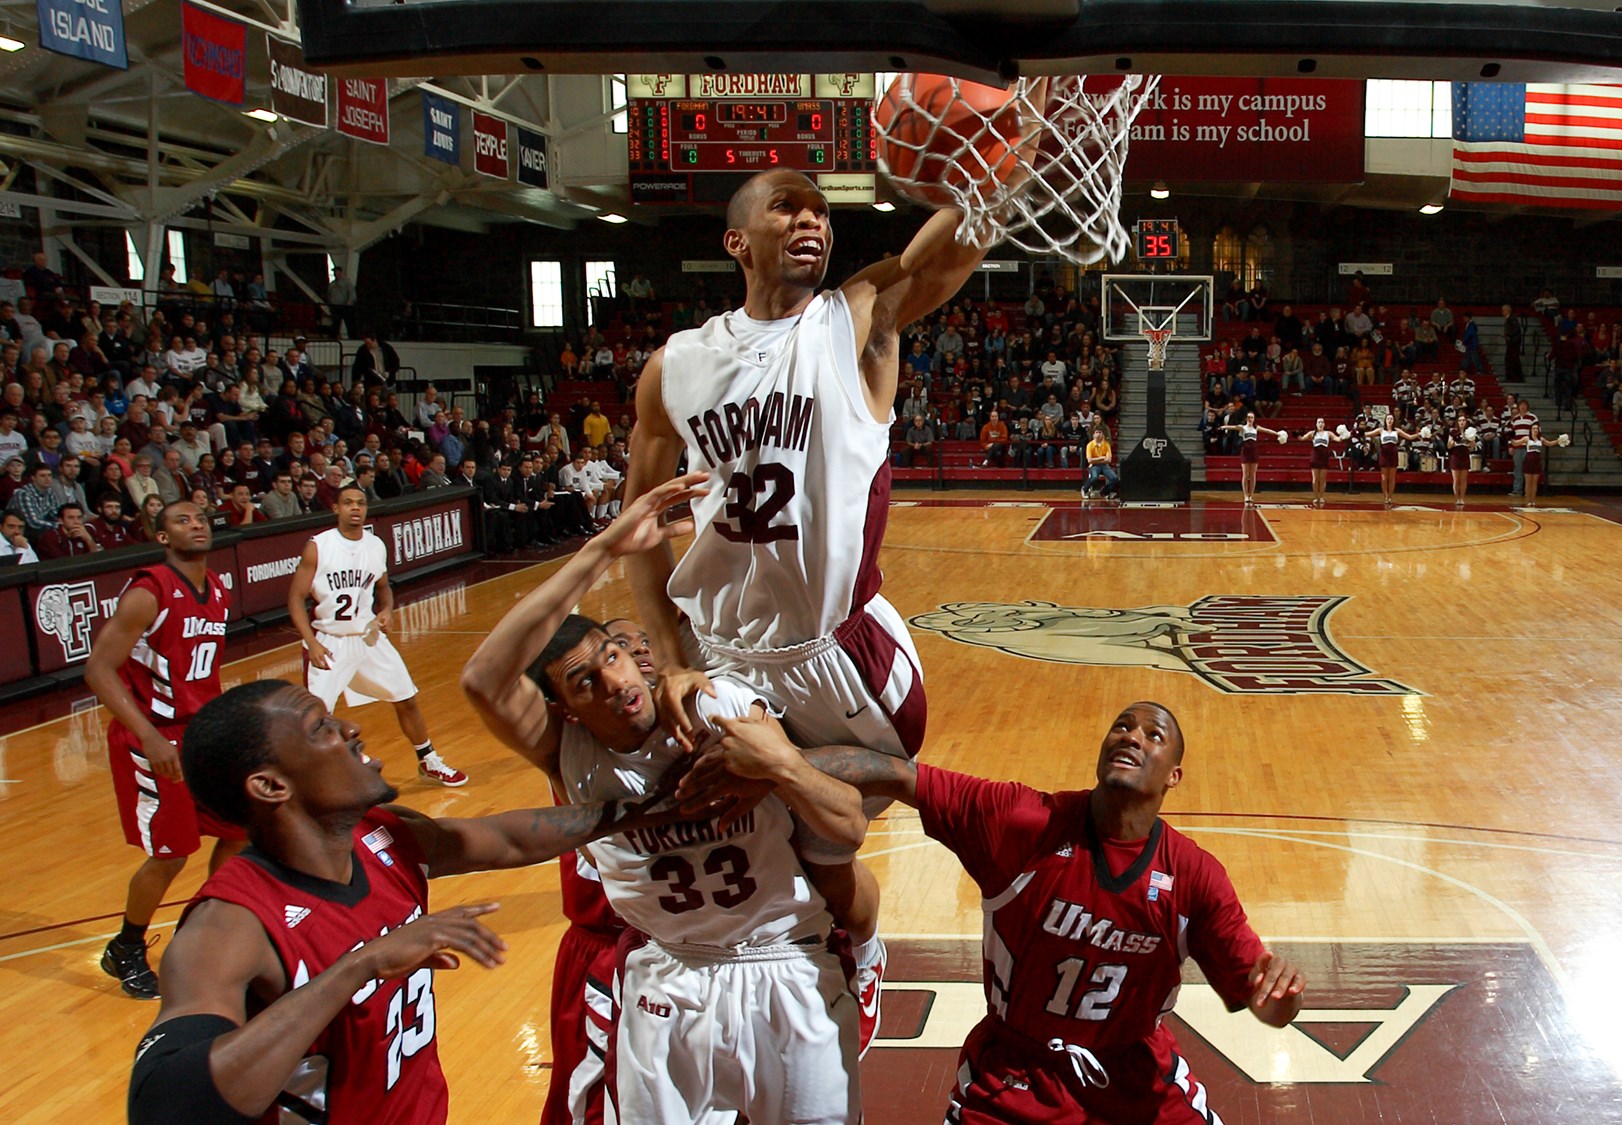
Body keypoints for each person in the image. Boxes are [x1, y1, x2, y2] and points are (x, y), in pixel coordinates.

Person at [622, 168, 1003, 1040]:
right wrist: (672, 658)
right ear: (737, 241)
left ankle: (862, 943)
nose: (812, 220)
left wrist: (1002, 166)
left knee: (828, 850)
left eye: (823, 211)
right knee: (737, 840)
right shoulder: (674, 367)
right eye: (788, 206)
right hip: (721, 654)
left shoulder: (852, 319)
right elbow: (639, 524)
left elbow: (941, 255)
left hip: (840, 659)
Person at [461, 477, 872, 1125]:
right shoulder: (567, 751)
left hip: (783, 956)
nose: (614, 678)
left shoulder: (716, 705)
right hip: (668, 972)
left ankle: (868, 960)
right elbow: (482, 679)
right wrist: (602, 549)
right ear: (564, 711)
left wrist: (779, 768)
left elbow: (848, 826)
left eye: (614, 655)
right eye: (585, 681)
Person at [696, 702, 1307, 1124]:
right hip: (1018, 1074)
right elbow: (895, 774)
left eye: (1153, 735)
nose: (1131, 737)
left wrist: (1279, 997)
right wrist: (781, 767)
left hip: (1134, 1076)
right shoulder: (1024, 824)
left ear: (1174, 774)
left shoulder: (1194, 875)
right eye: (1122, 727)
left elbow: (1265, 1002)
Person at [126, 679, 690, 1125]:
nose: (351, 728)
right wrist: (362, 964)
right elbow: (166, 1101)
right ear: (271, 786)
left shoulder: (383, 836)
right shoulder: (230, 926)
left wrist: (650, 808)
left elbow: (508, 839)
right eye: (321, 727)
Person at [83, 500, 247, 999]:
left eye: (200, 518)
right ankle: (126, 947)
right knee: (171, 854)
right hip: (152, 733)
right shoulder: (148, 591)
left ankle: (208, 927)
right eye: (182, 520)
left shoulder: (217, 587)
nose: (196, 525)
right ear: (161, 537)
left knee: (241, 828)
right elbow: (98, 670)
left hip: (201, 732)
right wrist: (151, 736)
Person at [289, 484, 469, 787]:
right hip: (329, 640)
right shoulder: (319, 546)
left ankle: (428, 761)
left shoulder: (375, 545)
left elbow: (384, 587)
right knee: (317, 717)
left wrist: (387, 610)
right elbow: (295, 599)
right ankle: (314, 779)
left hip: (368, 637)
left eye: (360, 503)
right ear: (336, 508)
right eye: (348, 503)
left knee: (406, 697)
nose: (355, 508)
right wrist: (312, 643)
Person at [1218, 411, 1284, 504]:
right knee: (1245, 475)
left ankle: (1251, 495)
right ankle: (1245, 495)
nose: (1250, 419)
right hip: (1245, 451)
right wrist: (1224, 427)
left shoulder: (1256, 427)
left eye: (1252, 417)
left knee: (1252, 475)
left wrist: (1277, 434)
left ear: (1254, 419)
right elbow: (1234, 427)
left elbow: (1267, 430)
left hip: (1254, 452)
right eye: (1248, 417)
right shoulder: (1243, 427)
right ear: (1246, 418)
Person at [1365, 416, 1418, 504]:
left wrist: (1419, 434)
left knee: (1392, 478)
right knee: (1384, 477)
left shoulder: (1397, 430)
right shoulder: (1381, 430)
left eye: (1391, 419)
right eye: (1388, 419)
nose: (1389, 420)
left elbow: (1410, 437)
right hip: (1384, 454)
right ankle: (1385, 496)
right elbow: (1367, 434)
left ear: (1393, 421)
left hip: (1393, 454)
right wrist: (1355, 432)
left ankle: (1390, 497)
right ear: (1385, 420)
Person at [1513, 422, 1549, 507]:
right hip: (1528, 461)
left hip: (1537, 461)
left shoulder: (1541, 439)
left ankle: (1533, 500)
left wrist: (1559, 441)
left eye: (1537, 428)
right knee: (1528, 483)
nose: (1535, 430)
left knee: (1534, 483)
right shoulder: (1527, 439)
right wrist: (1511, 439)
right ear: (1531, 430)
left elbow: (1549, 443)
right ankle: (1527, 500)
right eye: (1534, 428)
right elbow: (1516, 443)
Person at [1082, 426, 1118, 499]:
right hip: (1094, 466)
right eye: (1097, 432)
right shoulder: (1090, 445)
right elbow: (1089, 460)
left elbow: (1109, 460)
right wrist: (1102, 458)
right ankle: (1084, 489)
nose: (1098, 434)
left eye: (1100, 432)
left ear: (1103, 435)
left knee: (1114, 478)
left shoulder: (1106, 445)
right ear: (1093, 435)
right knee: (1094, 477)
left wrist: (1096, 459)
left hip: (1104, 465)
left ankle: (1103, 492)